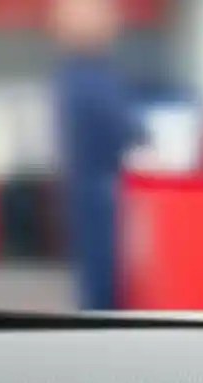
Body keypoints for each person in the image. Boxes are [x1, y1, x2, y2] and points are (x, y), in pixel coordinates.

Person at [50, 0, 142, 310]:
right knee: (104, 281)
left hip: (94, 192)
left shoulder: (87, 74)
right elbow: (122, 131)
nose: (113, 24)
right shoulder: (88, 79)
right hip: (101, 195)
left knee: (100, 280)